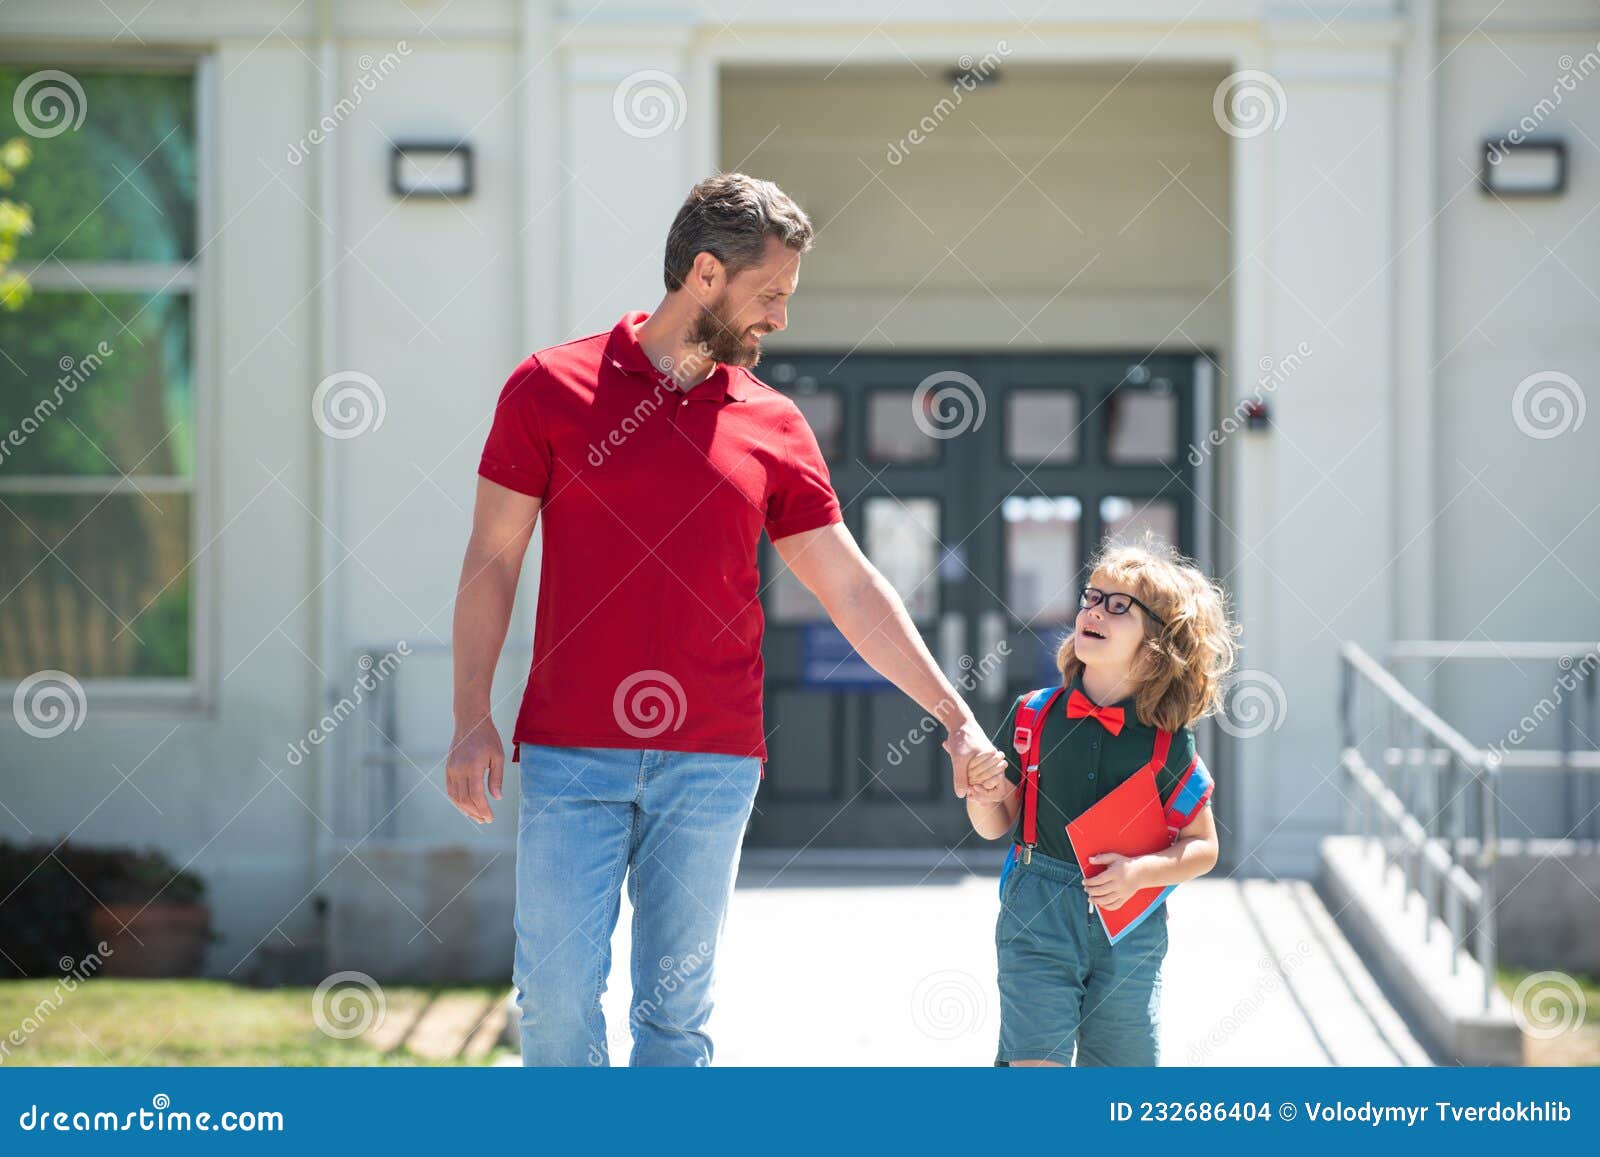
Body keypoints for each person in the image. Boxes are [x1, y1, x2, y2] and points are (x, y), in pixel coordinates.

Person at [446, 172, 1004, 1066]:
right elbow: (493, 558)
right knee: (553, 1007)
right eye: (771, 293)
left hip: (710, 763)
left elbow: (850, 586)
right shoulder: (549, 388)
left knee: (674, 1022)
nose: (780, 317)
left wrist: (953, 710)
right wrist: (470, 713)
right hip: (569, 754)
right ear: (706, 274)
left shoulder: (772, 424)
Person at [964, 535, 1239, 1066]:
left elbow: (1203, 847)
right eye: (1092, 597)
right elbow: (993, 824)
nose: (1095, 610)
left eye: (1119, 606)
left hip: (1130, 928)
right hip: (1036, 912)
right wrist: (983, 792)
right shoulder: (1033, 715)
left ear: (1155, 640)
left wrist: (1140, 873)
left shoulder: (1167, 738)